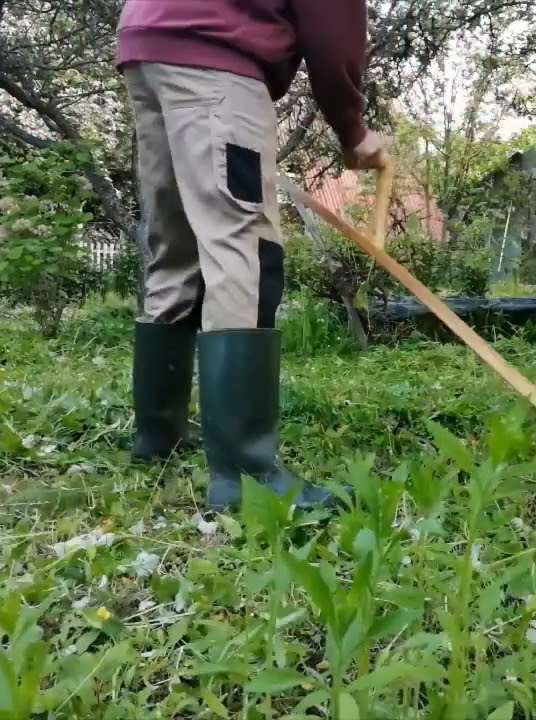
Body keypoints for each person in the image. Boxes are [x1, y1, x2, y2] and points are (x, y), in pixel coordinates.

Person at [115, 0, 387, 511]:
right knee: (244, 247)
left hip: (149, 41)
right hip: (215, 55)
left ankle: (159, 436)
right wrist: (353, 129)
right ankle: (245, 474)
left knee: (177, 244)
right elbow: (333, 29)